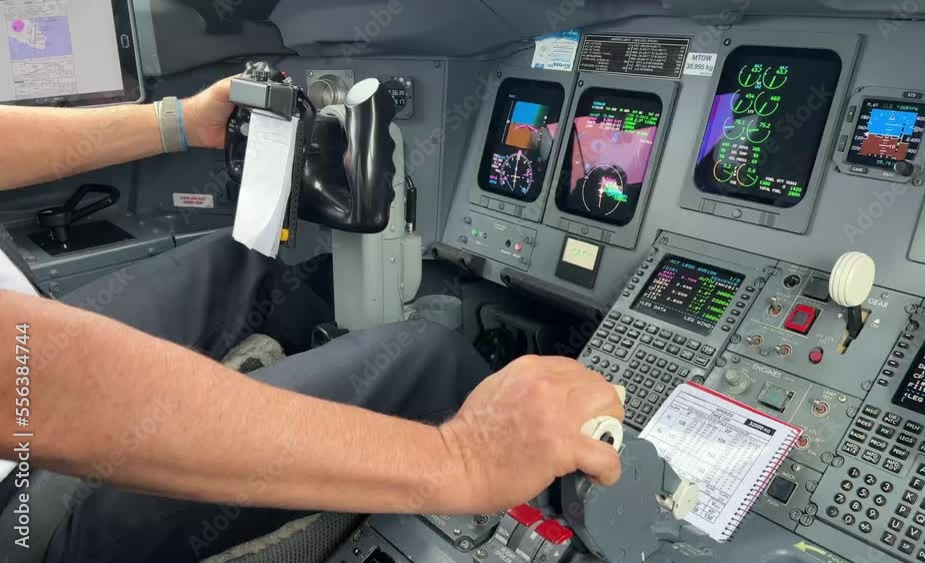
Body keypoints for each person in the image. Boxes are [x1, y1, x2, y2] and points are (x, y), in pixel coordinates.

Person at [0, 77, 624, 562]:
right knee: (425, 357)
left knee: (239, 261)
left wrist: (180, 121)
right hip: (19, 506)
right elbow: (30, 391)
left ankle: (320, 409)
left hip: (25, 350)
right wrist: (463, 456)